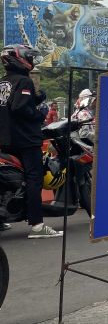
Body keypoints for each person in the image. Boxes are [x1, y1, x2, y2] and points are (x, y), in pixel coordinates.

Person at [0, 44, 62, 238]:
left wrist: (37, 98)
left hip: (6, 139)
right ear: (20, 58)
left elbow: (12, 105)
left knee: (8, 179)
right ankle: (37, 225)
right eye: (29, 57)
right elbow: (19, 108)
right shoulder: (24, 81)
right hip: (25, 140)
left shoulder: (3, 82)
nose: (31, 61)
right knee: (34, 179)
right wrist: (40, 114)